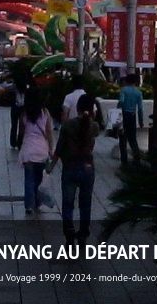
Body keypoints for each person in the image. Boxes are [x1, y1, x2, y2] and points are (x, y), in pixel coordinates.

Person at [50, 93, 100, 246]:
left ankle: (69, 233)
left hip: (70, 167)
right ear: (92, 109)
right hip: (87, 168)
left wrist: (50, 166)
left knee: (68, 203)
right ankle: (83, 234)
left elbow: (59, 148)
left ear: (77, 107)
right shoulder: (94, 126)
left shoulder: (68, 125)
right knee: (85, 203)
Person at [19, 92, 56, 215]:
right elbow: (49, 132)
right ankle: (37, 202)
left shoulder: (24, 114)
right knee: (39, 179)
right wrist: (51, 149)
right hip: (41, 151)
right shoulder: (45, 113)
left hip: (28, 151)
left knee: (29, 180)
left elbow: (22, 133)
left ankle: (29, 206)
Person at [117, 74, 145, 165]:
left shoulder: (123, 90)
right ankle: (137, 158)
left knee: (123, 138)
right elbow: (140, 108)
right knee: (133, 138)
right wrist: (141, 121)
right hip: (132, 116)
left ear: (127, 81)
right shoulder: (138, 93)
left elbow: (121, 101)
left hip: (124, 115)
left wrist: (117, 110)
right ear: (135, 82)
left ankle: (124, 160)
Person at [10, 81, 27, 149]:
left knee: (16, 125)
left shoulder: (15, 87)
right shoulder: (24, 89)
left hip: (18, 108)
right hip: (20, 108)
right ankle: (18, 142)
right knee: (20, 126)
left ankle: (15, 142)